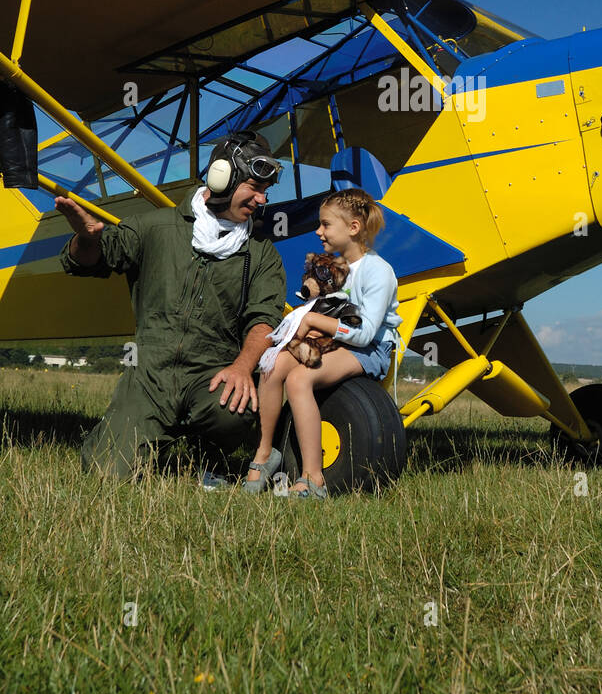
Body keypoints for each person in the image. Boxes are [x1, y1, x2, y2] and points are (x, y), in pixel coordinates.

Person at [57, 130, 287, 484]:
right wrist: (86, 239)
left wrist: (242, 368)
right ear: (222, 177)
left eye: (265, 191)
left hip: (211, 374)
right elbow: (94, 259)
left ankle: (206, 448)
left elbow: (264, 320)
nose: (261, 199)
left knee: (235, 412)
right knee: (107, 474)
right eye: (255, 188)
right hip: (151, 374)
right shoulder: (155, 227)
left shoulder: (261, 253)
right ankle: (130, 432)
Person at [245, 187, 400, 499]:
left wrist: (315, 322)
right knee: (271, 364)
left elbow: (365, 332)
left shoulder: (378, 271)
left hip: (368, 350)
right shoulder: (334, 266)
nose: (318, 231)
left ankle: (313, 478)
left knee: (300, 379)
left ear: (353, 228)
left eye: (326, 224)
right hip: (333, 342)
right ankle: (265, 453)